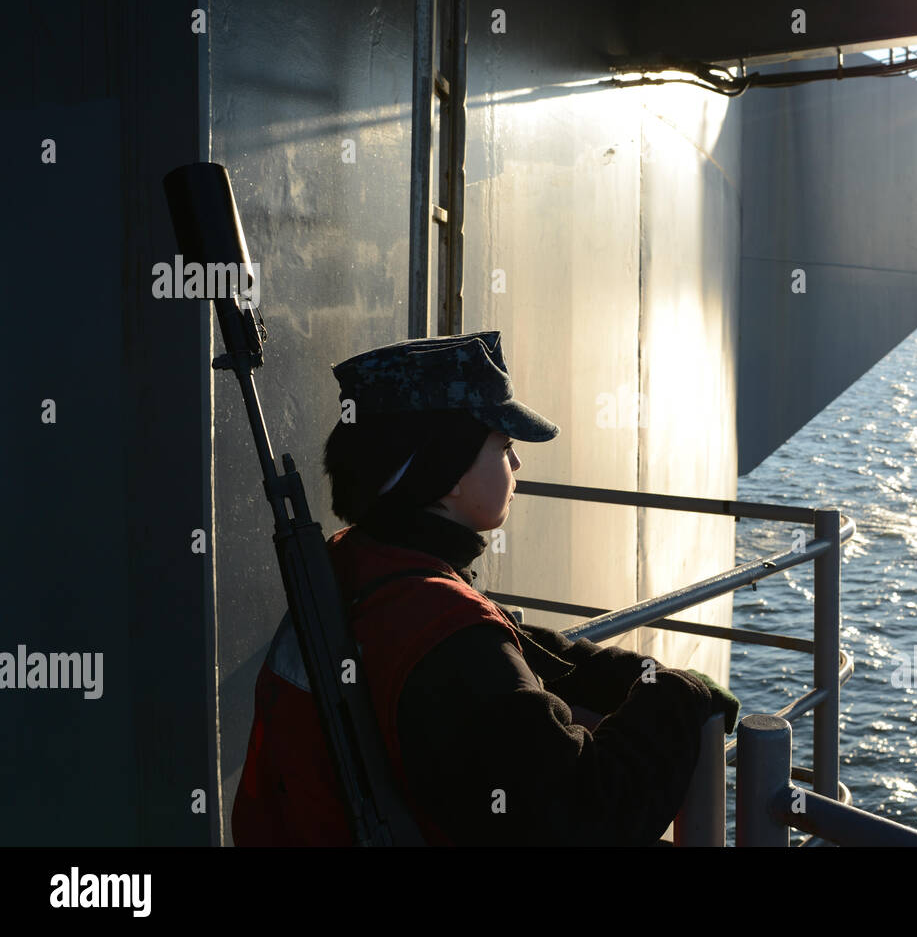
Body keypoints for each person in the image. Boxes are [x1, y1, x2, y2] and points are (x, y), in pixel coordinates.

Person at [231, 331, 738, 846]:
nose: (516, 466)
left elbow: (519, 647)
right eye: (504, 446)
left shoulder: (360, 566)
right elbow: (588, 814)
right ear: (446, 472)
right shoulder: (450, 642)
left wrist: (643, 679)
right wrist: (680, 700)